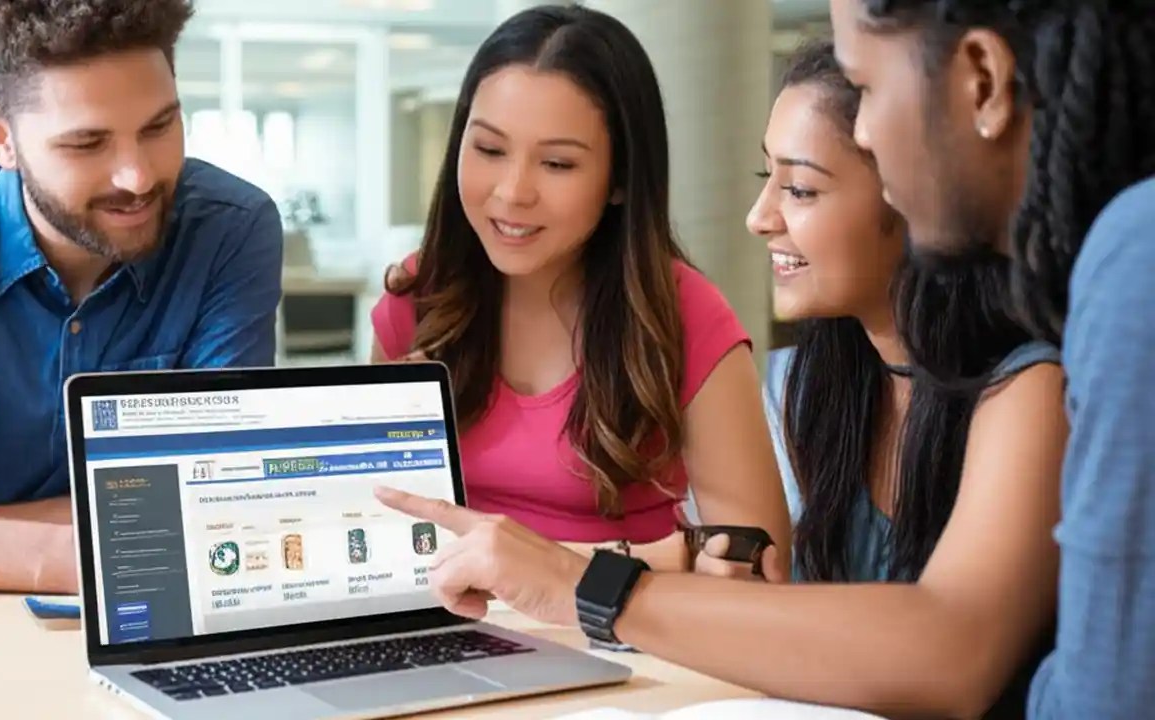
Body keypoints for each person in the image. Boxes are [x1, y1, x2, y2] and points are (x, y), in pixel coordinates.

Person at [375, 34, 1070, 720]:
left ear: (916, 188)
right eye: (765, 179)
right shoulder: (835, 378)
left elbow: (950, 656)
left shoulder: (1031, 394)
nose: (759, 217)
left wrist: (586, 582)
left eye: (799, 188)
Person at [0, 0, 283, 594]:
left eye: (160, 127)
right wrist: (76, 550)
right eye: (88, 144)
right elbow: (172, 521)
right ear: (1, 138)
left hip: (157, 608)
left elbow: (217, 500)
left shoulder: (230, 228)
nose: (137, 177)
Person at [370, 5, 790, 572]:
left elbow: (759, 559)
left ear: (619, 180)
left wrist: (557, 565)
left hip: (621, 641)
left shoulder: (683, 315)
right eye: (490, 150)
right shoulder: (416, 300)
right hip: (450, 634)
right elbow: (371, 529)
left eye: (558, 164)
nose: (513, 193)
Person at [825, 0, 1155, 717]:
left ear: (982, 79)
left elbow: (1104, 703)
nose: (861, 132)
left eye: (866, 88)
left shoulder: (1138, 259)